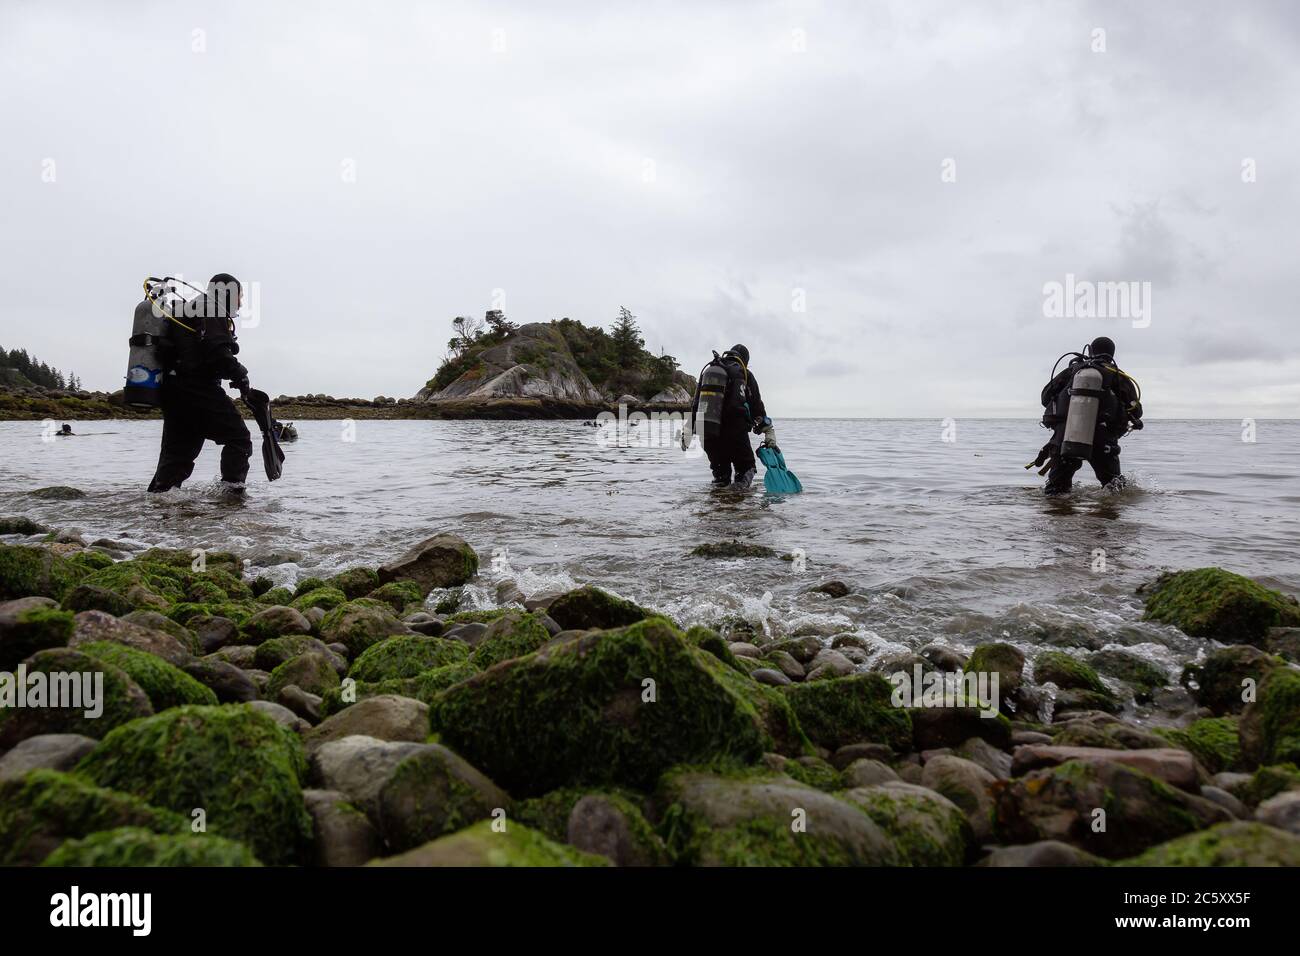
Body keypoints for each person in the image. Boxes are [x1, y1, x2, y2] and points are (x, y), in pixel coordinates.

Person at [147, 273, 253, 495]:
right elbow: (217, 351)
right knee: (239, 438)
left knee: (176, 456)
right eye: (240, 297)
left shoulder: (192, 308)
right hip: (197, 389)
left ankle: (158, 506)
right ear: (228, 293)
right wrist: (240, 375)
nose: (241, 303)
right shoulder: (212, 308)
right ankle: (231, 498)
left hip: (173, 391)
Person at [1034, 336, 1143, 496]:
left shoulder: (1073, 371)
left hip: (1066, 437)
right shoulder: (1118, 376)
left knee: (1055, 493)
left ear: (1091, 350)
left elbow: (1045, 398)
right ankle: (1106, 519)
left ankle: (1057, 517)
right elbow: (1136, 411)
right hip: (1103, 440)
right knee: (1115, 491)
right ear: (1112, 354)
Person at [684, 343, 778, 489]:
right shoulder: (744, 373)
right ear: (745, 360)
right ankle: (737, 506)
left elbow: (696, 405)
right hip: (735, 432)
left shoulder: (709, 371)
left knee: (721, 478)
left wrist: (687, 432)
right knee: (745, 471)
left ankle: (717, 507)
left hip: (708, 432)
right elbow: (756, 406)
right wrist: (768, 430)